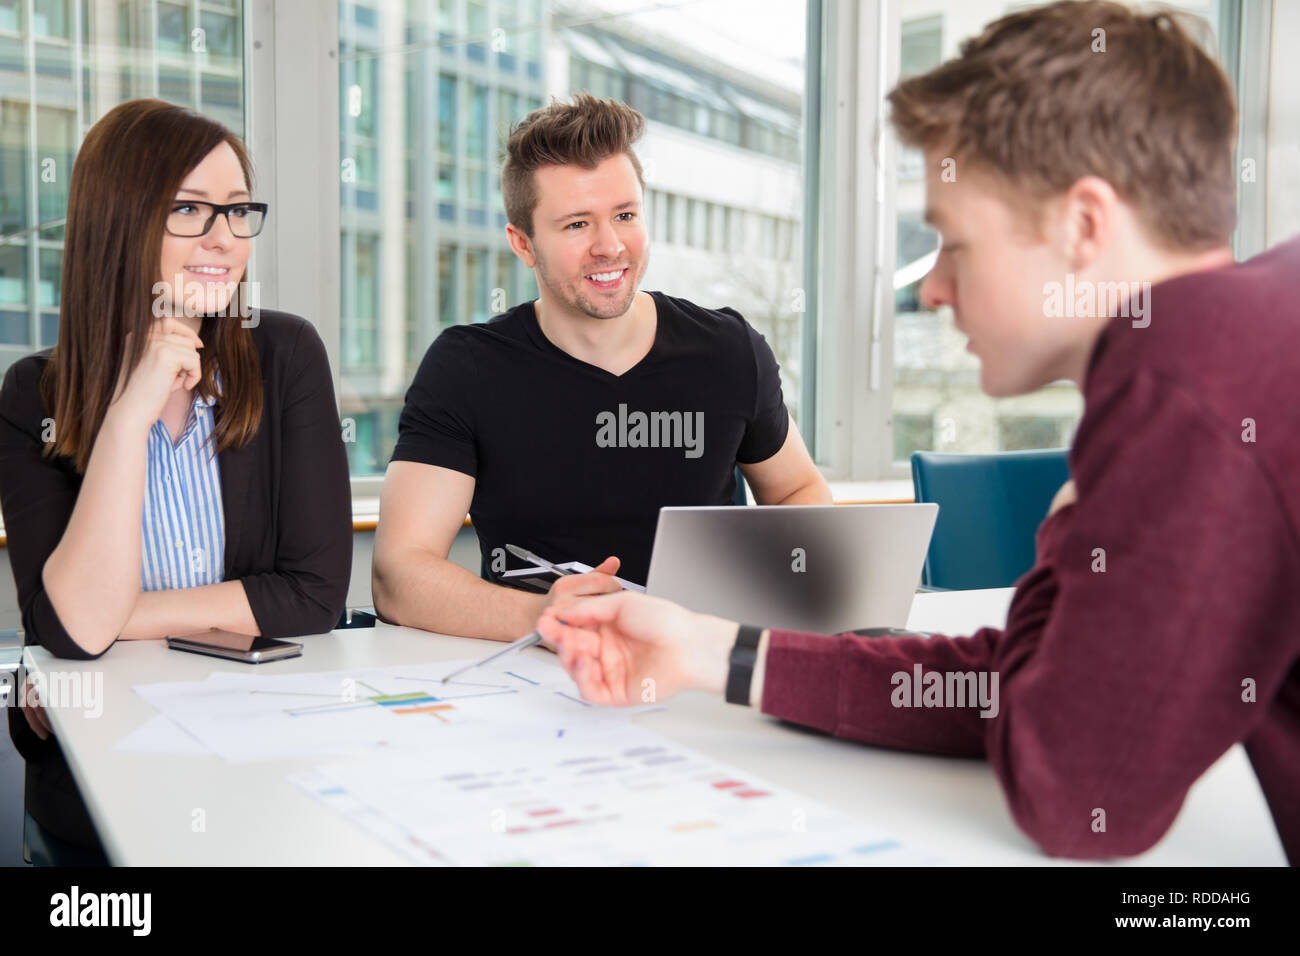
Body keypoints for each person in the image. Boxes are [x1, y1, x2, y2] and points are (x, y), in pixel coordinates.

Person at [536, 1, 1300, 864]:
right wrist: (709, 648)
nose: (932, 288)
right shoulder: (1250, 332)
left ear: (1084, 226)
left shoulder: (1186, 391)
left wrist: (1072, 516)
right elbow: (1020, 684)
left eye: (954, 242)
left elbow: (1077, 793)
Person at [0, 99, 352, 858]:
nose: (224, 240)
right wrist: (128, 415)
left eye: (236, 211)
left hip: (260, 760)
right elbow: (71, 628)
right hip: (98, 782)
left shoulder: (286, 353)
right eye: (190, 209)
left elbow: (315, 595)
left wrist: (103, 615)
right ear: (119, 222)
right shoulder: (35, 396)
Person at [373, 94, 830, 642]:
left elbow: (798, 490)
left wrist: (767, 575)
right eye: (575, 225)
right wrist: (541, 618)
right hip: (537, 675)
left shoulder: (730, 350)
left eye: (625, 215)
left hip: (698, 660)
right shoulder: (466, 367)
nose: (609, 246)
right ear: (523, 243)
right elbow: (398, 576)